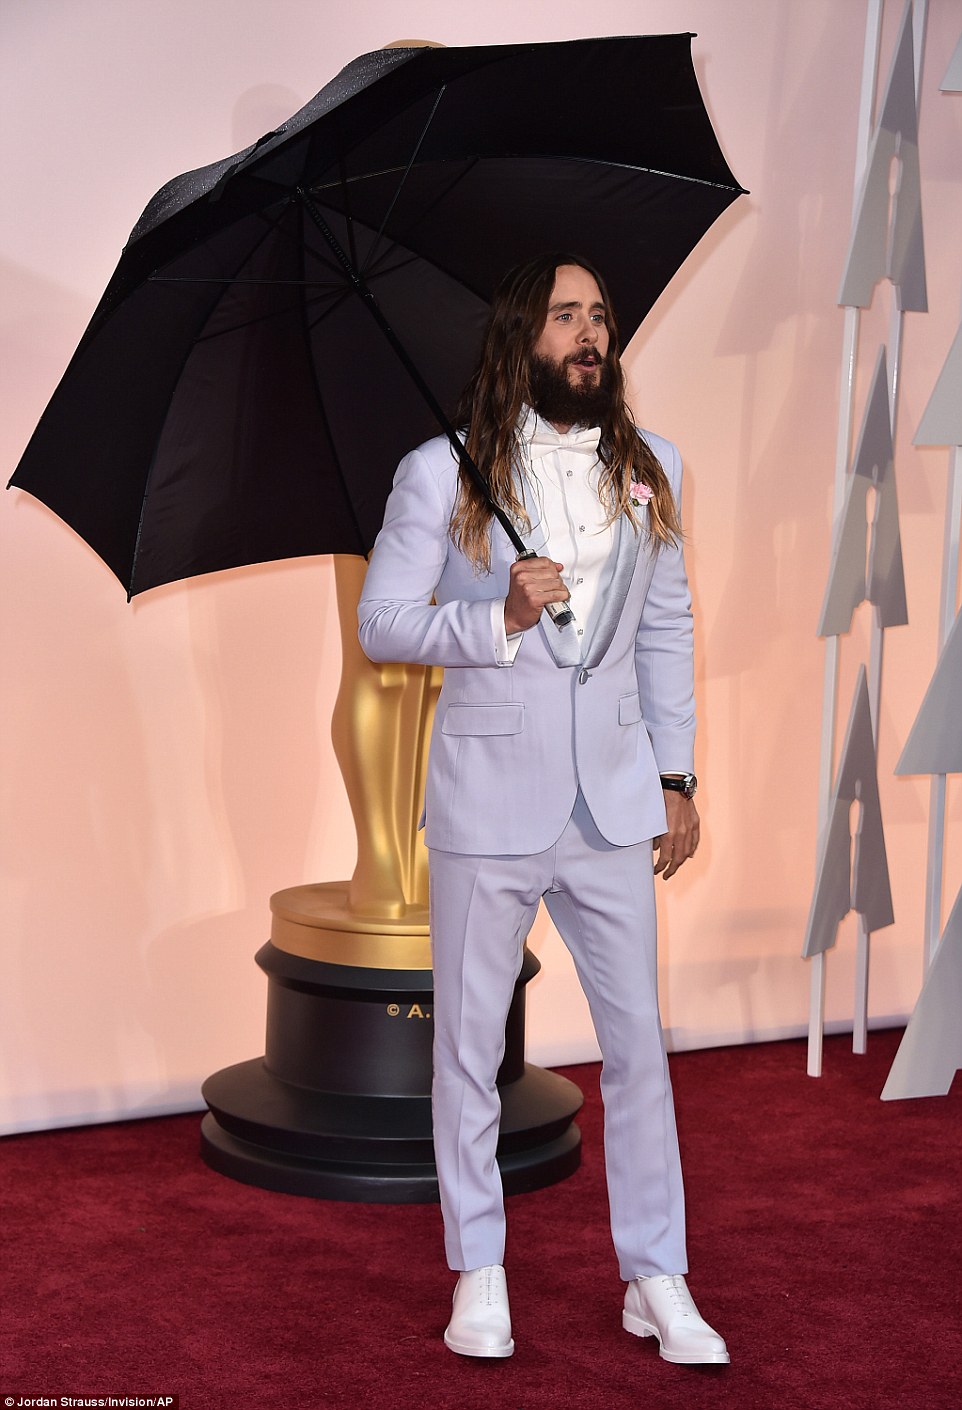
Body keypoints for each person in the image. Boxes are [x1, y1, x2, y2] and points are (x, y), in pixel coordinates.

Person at [358, 253, 728, 1367]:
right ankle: (478, 1269)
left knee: (638, 1052)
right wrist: (495, 622)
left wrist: (675, 777)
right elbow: (382, 622)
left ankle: (653, 1275)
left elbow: (664, 625)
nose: (588, 336)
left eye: (600, 318)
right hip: (485, 806)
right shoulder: (442, 472)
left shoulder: (653, 467)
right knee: (467, 1052)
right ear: (521, 336)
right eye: (565, 316)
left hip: (612, 803)